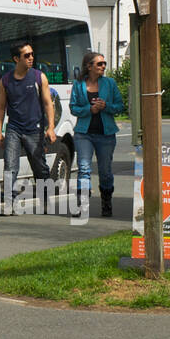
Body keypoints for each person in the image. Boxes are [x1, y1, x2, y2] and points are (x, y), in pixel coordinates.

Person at [0, 41, 55, 215]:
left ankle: (45, 199)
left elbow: (47, 103)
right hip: (14, 128)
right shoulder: (5, 80)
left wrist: (50, 127)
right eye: (26, 55)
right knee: (10, 167)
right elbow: (1, 107)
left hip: (34, 129)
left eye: (32, 54)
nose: (31, 58)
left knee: (39, 168)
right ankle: (9, 205)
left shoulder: (39, 77)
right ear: (16, 59)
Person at [70, 50, 123, 216]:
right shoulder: (78, 85)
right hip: (83, 133)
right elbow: (73, 108)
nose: (103, 66)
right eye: (99, 63)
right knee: (84, 168)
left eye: (104, 63)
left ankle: (106, 202)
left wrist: (105, 106)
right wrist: (90, 109)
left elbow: (119, 106)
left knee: (105, 171)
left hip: (105, 134)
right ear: (89, 66)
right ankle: (82, 205)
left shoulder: (110, 83)